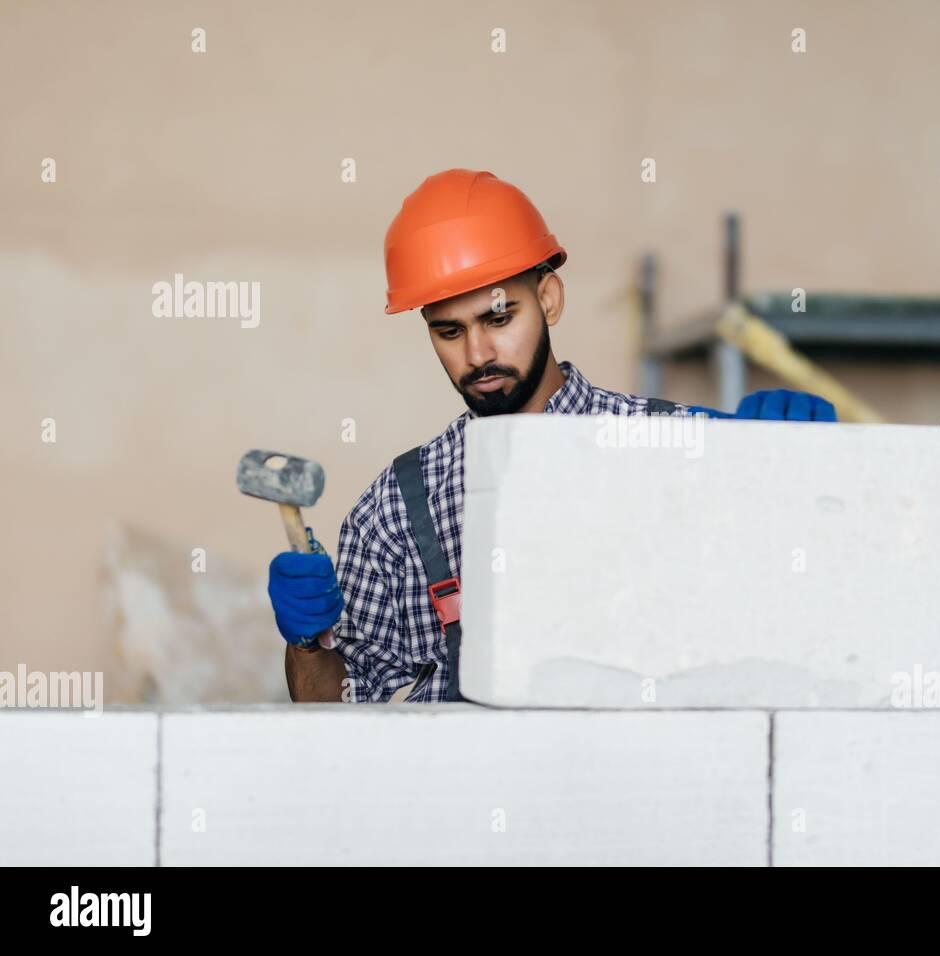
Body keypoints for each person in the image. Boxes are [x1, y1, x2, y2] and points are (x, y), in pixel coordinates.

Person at [270, 168, 835, 703]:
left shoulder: (677, 448)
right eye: (449, 331)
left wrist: (797, 471)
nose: (477, 354)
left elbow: (798, 617)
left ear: (549, 300)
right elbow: (335, 713)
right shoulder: (395, 509)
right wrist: (307, 641)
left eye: (498, 319)